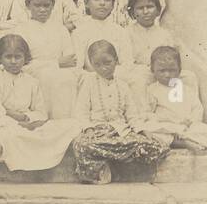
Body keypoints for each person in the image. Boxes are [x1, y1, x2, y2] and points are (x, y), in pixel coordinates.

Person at [0, 33, 83, 170]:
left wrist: (29, 119)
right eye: (8, 57)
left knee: (72, 124)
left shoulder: (32, 82)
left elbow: (41, 112)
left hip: (30, 124)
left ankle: (40, 152)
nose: (13, 61)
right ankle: (29, 156)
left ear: (25, 59)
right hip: (8, 124)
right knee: (8, 135)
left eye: (18, 57)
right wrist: (15, 118)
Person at [72, 40, 169, 184]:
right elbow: (81, 112)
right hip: (98, 133)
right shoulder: (89, 84)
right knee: (82, 145)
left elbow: (132, 115)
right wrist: (89, 129)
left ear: (116, 61)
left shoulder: (123, 86)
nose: (103, 68)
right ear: (91, 64)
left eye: (107, 63)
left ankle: (111, 160)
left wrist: (142, 131)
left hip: (121, 132)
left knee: (156, 145)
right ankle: (103, 167)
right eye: (97, 64)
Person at [138, 46, 207, 151]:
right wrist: (161, 119)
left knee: (205, 129)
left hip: (186, 127)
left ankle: (186, 139)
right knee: (149, 129)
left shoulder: (187, 89)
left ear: (179, 70)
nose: (167, 75)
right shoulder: (152, 90)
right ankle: (180, 143)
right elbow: (146, 112)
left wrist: (190, 121)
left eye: (172, 70)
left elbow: (197, 108)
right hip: (166, 127)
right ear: (153, 70)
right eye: (162, 71)